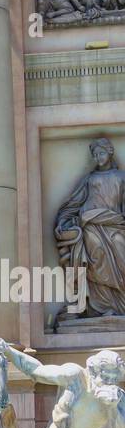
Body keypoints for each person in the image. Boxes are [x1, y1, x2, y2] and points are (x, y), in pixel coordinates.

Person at [55, 136, 125, 317]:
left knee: (120, 249)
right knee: (96, 256)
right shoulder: (89, 179)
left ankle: (120, 305)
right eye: (95, 154)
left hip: (115, 225)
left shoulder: (121, 177)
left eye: (101, 153)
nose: (98, 157)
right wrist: (64, 221)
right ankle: (102, 306)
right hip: (91, 225)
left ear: (110, 152)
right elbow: (73, 203)